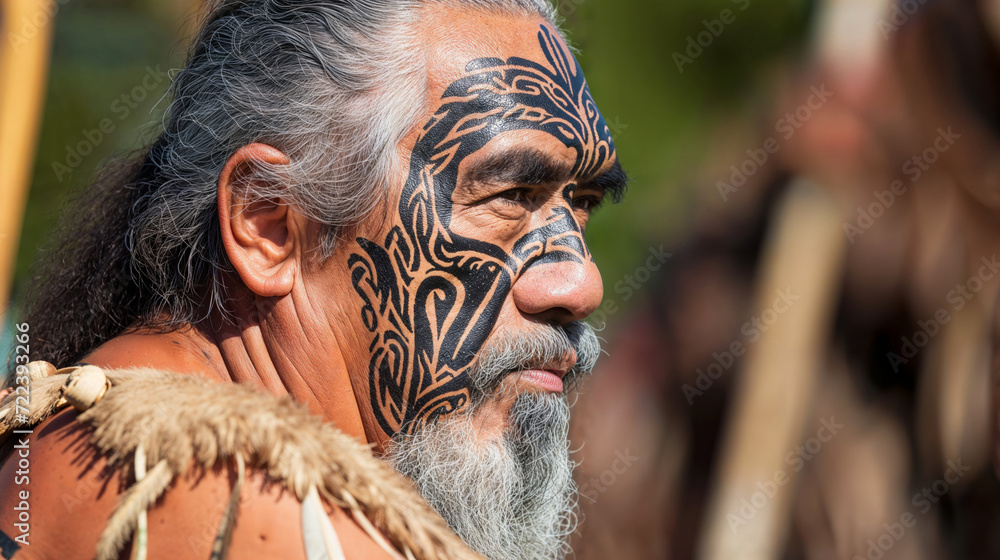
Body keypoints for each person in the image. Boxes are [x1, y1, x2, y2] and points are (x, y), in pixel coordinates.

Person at [0, 1, 627, 559]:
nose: (581, 284)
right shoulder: (232, 502)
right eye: (510, 195)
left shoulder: (84, 441)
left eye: (583, 204)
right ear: (268, 224)